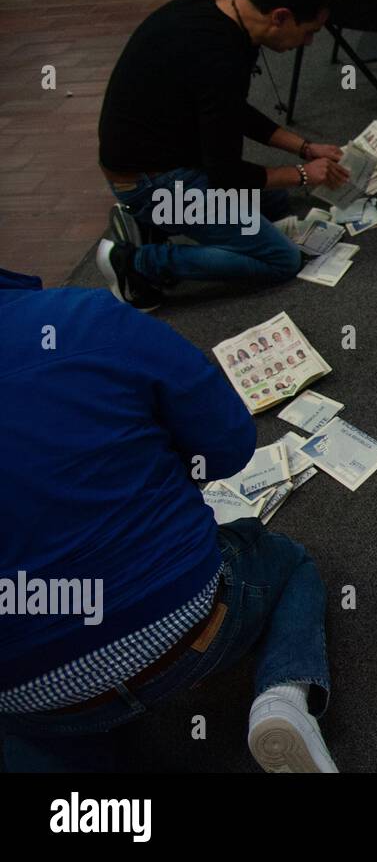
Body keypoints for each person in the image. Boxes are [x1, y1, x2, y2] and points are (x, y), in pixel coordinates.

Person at [0, 269, 335, 772]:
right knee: (287, 563)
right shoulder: (86, 316)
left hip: (23, 687)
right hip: (180, 620)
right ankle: (283, 696)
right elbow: (229, 446)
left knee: (38, 735)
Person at [96, 0, 350, 310]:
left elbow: (232, 109)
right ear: (280, 16)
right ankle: (136, 263)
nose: (307, 43)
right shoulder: (221, 57)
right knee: (282, 260)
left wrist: (305, 148)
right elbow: (226, 174)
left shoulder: (214, 9)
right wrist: (303, 174)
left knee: (274, 201)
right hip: (150, 182)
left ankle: (152, 224)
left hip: (165, 158)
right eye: (309, 31)